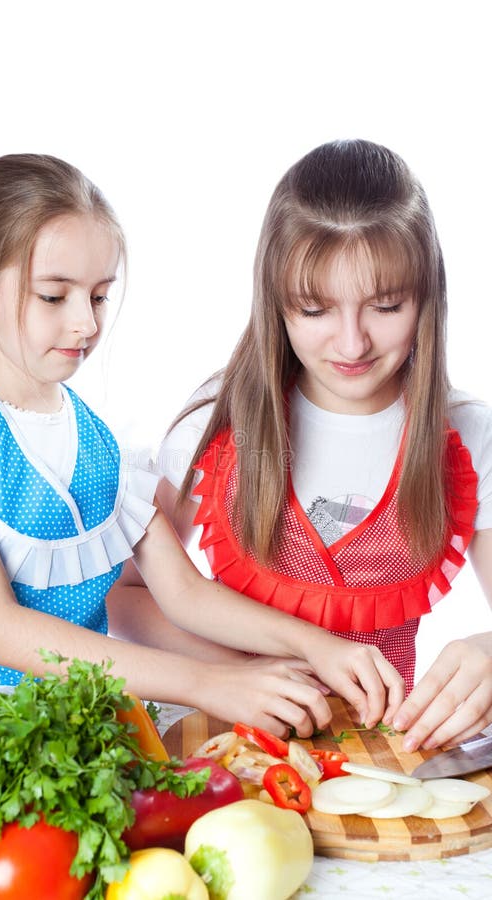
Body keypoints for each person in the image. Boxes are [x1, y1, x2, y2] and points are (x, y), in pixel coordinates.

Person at [0, 153, 404, 737]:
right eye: (55, 297)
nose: (86, 323)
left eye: (100, 295)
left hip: (67, 729)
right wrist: (205, 682)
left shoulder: (100, 439)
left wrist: (316, 649)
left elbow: (184, 592)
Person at [108, 139, 492, 751]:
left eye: (386, 305)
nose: (352, 343)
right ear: (276, 305)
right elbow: (128, 598)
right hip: (233, 753)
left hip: (379, 758)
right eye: (314, 310)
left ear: (428, 297)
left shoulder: (468, 435)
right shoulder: (215, 425)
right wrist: (228, 673)